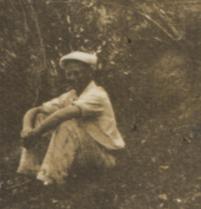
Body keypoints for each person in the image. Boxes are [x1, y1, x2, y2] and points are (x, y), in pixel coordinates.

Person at [18, 51, 125, 185]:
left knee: (67, 124)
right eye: (69, 74)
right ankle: (29, 173)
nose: (73, 77)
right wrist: (27, 129)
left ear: (89, 73)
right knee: (40, 116)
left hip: (105, 156)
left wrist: (35, 133)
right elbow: (36, 110)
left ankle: (52, 180)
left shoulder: (97, 94)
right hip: (83, 153)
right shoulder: (71, 95)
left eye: (77, 73)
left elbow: (64, 114)